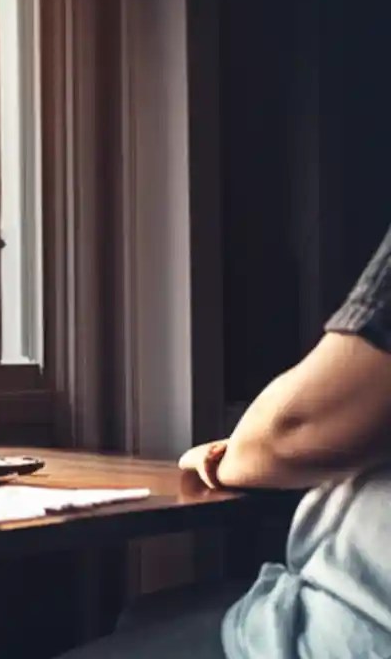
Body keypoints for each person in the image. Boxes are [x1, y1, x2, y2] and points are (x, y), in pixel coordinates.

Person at [60, 225, 391, 659]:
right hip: (335, 604)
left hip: (346, 632)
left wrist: (230, 455)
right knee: (144, 614)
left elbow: (291, 432)